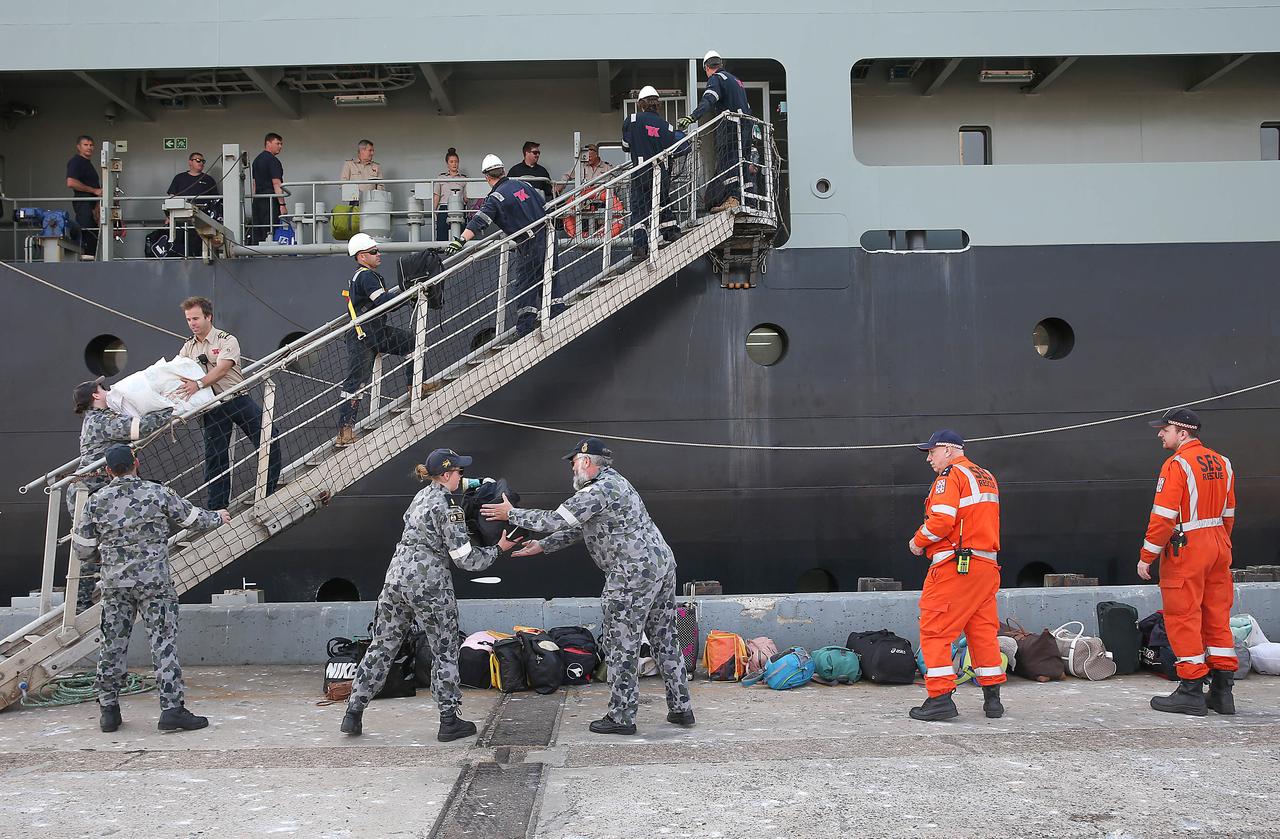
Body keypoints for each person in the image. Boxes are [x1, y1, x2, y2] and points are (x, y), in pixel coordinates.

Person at [482, 438, 694, 736]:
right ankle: (681, 708)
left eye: (574, 462)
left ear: (585, 462)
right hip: (660, 565)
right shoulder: (617, 482)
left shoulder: (597, 490)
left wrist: (511, 514)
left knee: (621, 645)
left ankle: (621, 717)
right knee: (665, 638)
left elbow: (556, 519)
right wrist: (542, 546)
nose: (572, 468)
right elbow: (582, 527)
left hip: (631, 575)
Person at [342, 447, 520, 741]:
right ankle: (449, 721)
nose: (462, 475)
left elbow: (451, 489)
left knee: (383, 645)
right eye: (459, 471)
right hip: (429, 584)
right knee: (444, 649)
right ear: (447, 474)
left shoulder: (422, 496)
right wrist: (498, 549)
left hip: (396, 578)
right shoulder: (449, 509)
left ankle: (353, 712)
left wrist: (477, 483)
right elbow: (466, 559)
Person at [73, 444, 229, 733]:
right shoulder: (157, 492)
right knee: (163, 643)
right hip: (154, 583)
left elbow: (82, 549)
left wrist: (103, 558)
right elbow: (193, 519)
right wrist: (219, 516)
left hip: (115, 584)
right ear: (137, 463)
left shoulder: (96, 501)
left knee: (112, 644)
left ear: (108, 471)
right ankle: (171, 710)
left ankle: (109, 711)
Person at [1138, 408, 1238, 716]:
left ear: (1182, 433)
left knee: (1183, 616)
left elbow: (1163, 517)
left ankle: (1191, 691)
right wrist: (1219, 542)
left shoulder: (1177, 464)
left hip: (1188, 548)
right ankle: (1222, 692)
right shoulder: (1223, 462)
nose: (1160, 434)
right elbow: (1229, 513)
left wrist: (1147, 556)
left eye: (1165, 429)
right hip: (1219, 543)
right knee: (1217, 616)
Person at [907, 429, 1005, 722]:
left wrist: (917, 542)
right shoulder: (985, 476)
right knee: (982, 631)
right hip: (986, 567)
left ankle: (939, 698)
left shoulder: (950, 476)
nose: (929, 459)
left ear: (948, 450)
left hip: (956, 567)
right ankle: (993, 700)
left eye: (932, 452)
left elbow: (941, 521)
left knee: (935, 630)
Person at [69, 377, 175, 611]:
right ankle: (80, 605)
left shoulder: (98, 418)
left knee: (94, 544)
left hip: (93, 488)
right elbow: (140, 428)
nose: (107, 390)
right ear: (95, 395)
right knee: (89, 546)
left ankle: (85, 599)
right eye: (103, 388)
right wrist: (169, 408)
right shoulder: (101, 421)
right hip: (91, 490)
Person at [175, 296, 281, 510]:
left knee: (268, 436)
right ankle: (217, 507)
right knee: (216, 458)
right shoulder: (188, 348)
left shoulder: (226, 340)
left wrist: (199, 383)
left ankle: (268, 488)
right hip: (212, 408)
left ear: (208, 317)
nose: (192, 323)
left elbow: (223, 368)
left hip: (237, 398)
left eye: (196, 318)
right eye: (188, 319)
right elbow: (178, 372)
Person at [336, 233, 435, 447]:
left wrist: (406, 292)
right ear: (362, 256)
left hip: (373, 332)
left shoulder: (365, 276)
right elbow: (382, 302)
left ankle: (416, 386)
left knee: (410, 342)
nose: (378, 254)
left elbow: (383, 302)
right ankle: (344, 432)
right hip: (364, 335)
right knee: (356, 383)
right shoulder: (367, 277)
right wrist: (410, 293)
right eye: (373, 252)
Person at [446, 155, 559, 337]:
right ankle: (557, 313)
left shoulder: (495, 198)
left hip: (529, 243)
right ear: (504, 171)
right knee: (550, 276)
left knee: (525, 284)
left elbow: (479, 221)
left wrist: (460, 240)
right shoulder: (524, 185)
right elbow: (545, 207)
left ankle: (525, 329)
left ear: (486, 177)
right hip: (549, 235)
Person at [677, 51, 753, 213]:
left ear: (707, 67)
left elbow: (708, 100)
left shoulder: (716, 79)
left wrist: (692, 117)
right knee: (743, 163)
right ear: (720, 64)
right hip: (746, 126)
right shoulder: (736, 80)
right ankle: (749, 200)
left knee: (728, 161)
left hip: (731, 127)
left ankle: (733, 199)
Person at [622, 86, 683, 261]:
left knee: (640, 208)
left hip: (641, 171)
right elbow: (673, 149)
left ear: (641, 104)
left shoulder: (632, 120)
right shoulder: (668, 127)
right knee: (663, 202)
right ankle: (671, 232)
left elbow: (625, 146)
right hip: (662, 172)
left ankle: (640, 248)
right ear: (657, 104)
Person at [166, 151, 222, 256]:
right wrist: (169, 216)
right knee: (179, 244)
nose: (201, 163)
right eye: (198, 160)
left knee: (200, 246)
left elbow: (216, 200)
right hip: (181, 218)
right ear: (190, 162)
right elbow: (171, 197)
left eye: (203, 161)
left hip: (203, 219)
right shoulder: (179, 178)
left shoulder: (208, 180)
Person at [65, 134, 102, 258]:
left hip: (91, 206)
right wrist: (94, 190)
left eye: (91, 145)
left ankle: (92, 260)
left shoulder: (87, 164)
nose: (89, 147)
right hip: (84, 203)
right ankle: (86, 261)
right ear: (78, 147)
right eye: (85, 145)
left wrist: (97, 205)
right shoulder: (76, 161)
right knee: (87, 234)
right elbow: (71, 182)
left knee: (92, 236)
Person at [250, 133, 286, 244]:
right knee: (270, 231)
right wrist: (282, 204)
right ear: (268, 143)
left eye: (281, 144)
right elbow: (276, 183)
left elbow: (254, 184)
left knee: (258, 232)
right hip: (270, 201)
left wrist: (254, 201)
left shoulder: (256, 160)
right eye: (277, 143)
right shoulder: (273, 161)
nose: (280, 146)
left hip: (258, 200)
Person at [433, 147, 469, 242]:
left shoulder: (464, 179)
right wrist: (434, 211)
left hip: (459, 208)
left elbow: (466, 198)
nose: (454, 164)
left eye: (456, 162)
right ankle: (442, 251)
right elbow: (437, 196)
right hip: (444, 208)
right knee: (441, 235)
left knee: (461, 235)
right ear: (447, 163)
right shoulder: (441, 178)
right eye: (451, 162)